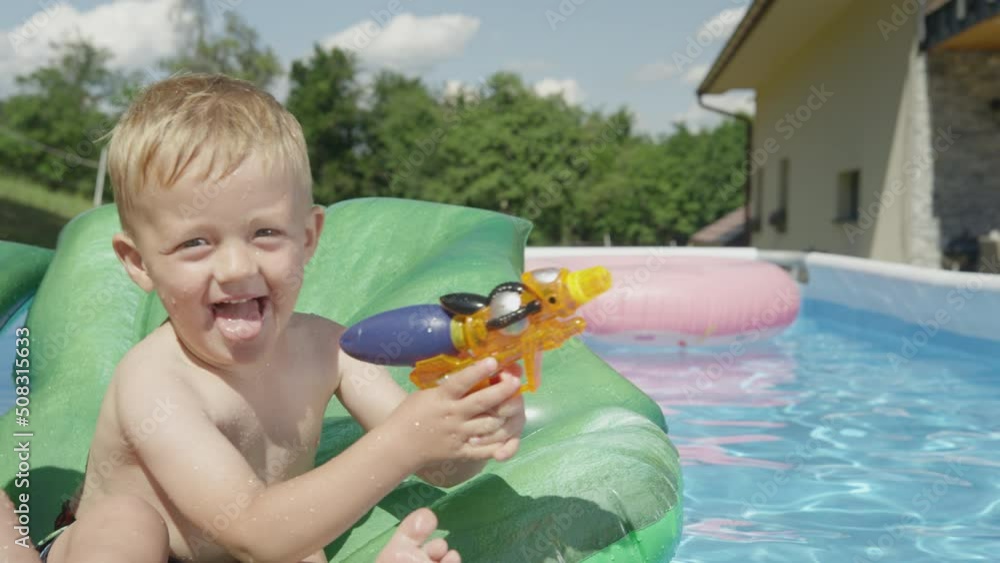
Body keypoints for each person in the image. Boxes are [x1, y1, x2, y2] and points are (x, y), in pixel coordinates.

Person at [15, 73, 527, 563]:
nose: (238, 268)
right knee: (127, 524)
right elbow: (253, 531)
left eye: (265, 234)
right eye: (196, 242)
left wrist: (481, 416)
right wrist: (405, 438)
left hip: (260, 546)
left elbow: (440, 464)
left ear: (307, 239)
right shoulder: (154, 381)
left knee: (304, 544)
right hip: (131, 549)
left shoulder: (331, 350)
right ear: (139, 263)